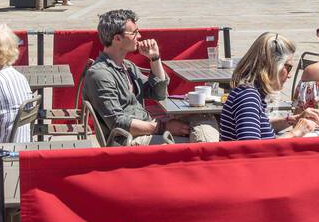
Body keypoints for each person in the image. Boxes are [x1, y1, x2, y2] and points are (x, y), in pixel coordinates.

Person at [81, 9, 220, 144]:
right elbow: (118, 122)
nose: (140, 36)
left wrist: (154, 58)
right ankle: (206, 155)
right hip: (129, 139)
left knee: (204, 116)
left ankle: (207, 153)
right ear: (117, 38)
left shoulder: (128, 66)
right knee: (195, 138)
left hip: (148, 127)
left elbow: (159, 94)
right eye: (135, 32)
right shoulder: (100, 74)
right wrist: (163, 127)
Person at [220, 33, 319, 140]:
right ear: (273, 65)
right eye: (288, 67)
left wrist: (293, 120)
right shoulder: (248, 97)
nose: (289, 75)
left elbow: (260, 127)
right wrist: (295, 133)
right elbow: (250, 149)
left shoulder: (250, 92)